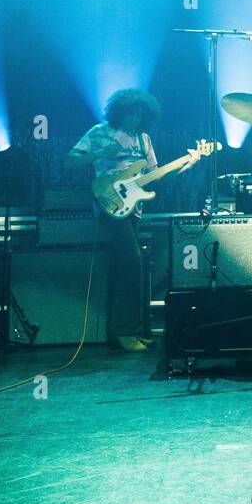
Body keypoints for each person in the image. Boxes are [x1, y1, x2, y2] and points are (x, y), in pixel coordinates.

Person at [66, 89, 197, 351]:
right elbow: (70, 162)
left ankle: (125, 331)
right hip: (108, 204)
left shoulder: (144, 139)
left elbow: (155, 176)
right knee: (132, 260)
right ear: (119, 112)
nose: (134, 119)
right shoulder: (99, 131)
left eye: (139, 115)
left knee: (127, 265)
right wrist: (100, 152)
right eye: (130, 113)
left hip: (133, 209)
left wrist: (186, 165)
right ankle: (124, 331)